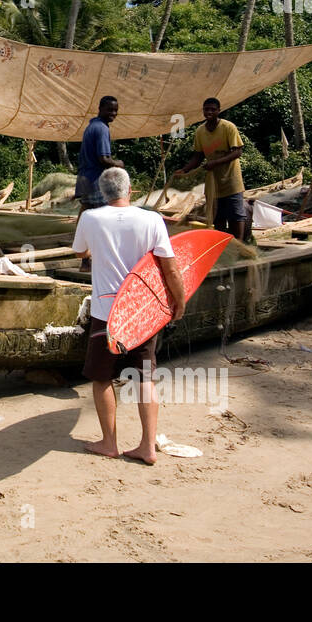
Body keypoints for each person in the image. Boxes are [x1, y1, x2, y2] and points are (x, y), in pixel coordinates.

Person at [71, 167, 186, 466]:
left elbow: (80, 253)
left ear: (102, 193)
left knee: (101, 377)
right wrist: (180, 301)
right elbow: (170, 267)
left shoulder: (90, 218)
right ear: (130, 190)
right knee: (145, 377)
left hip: (105, 313)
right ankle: (147, 447)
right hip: (142, 311)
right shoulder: (152, 219)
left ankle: (109, 443)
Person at [173, 97, 247, 240]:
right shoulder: (200, 131)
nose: (209, 112)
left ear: (219, 111)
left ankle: (239, 246)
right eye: (206, 109)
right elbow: (198, 157)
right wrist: (184, 170)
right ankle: (222, 247)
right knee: (217, 217)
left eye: (213, 109)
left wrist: (216, 162)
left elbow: (237, 151)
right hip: (213, 182)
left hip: (231, 181)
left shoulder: (228, 127)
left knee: (235, 216)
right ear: (203, 111)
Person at [76, 96, 123, 211]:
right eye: (109, 109)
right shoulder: (102, 128)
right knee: (103, 213)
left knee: (86, 210)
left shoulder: (91, 126)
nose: (113, 113)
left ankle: (80, 230)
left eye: (115, 110)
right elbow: (104, 159)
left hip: (83, 178)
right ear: (100, 108)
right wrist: (119, 163)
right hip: (95, 179)